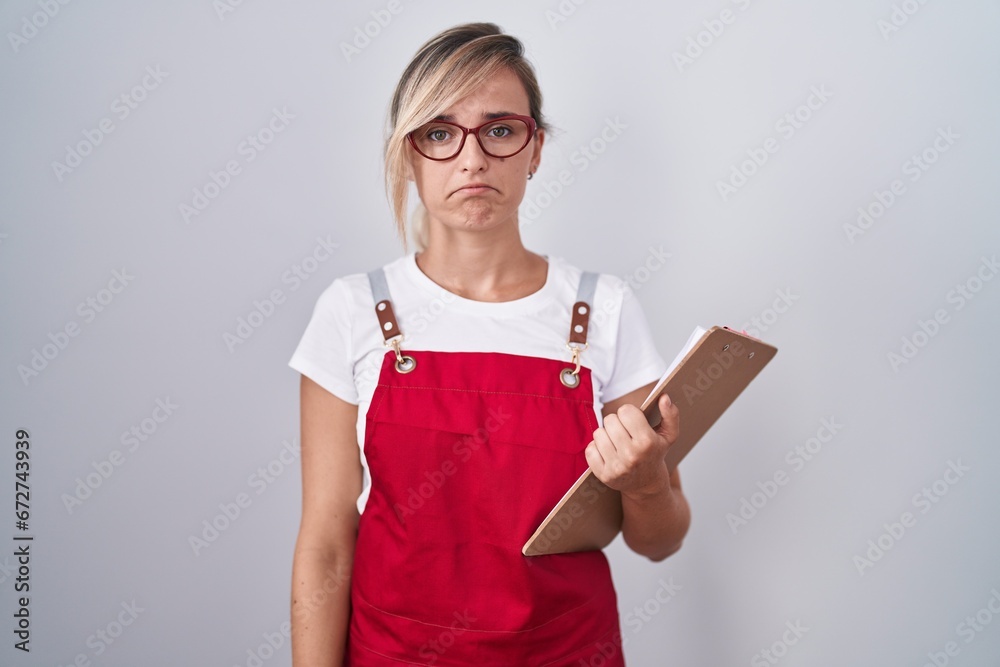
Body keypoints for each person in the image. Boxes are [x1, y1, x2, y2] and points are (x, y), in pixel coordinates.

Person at [287, 22, 691, 666]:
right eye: (440, 133)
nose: (472, 159)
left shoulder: (605, 309)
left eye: (500, 130)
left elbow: (659, 541)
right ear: (408, 154)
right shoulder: (353, 310)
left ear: (535, 150)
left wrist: (647, 486)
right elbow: (328, 543)